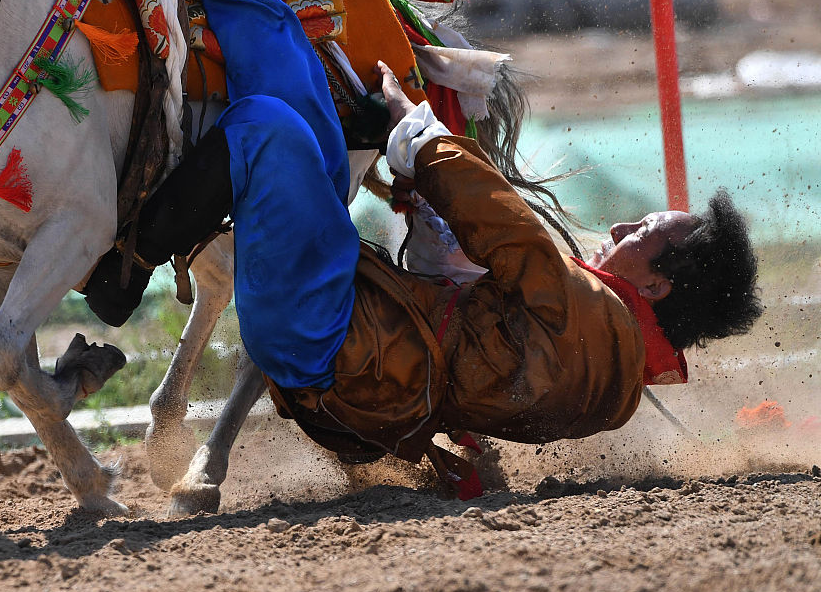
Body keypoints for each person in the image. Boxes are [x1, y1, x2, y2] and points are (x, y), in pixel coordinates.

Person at [92, 55, 763, 496]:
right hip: (354, 410)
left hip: (334, 337)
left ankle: (127, 267)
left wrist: (411, 126)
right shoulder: (614, 396)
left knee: (268, 122)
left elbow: (505, 226)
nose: (618, 229)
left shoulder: (582, 306)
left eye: (640, 233)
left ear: (656, 286)